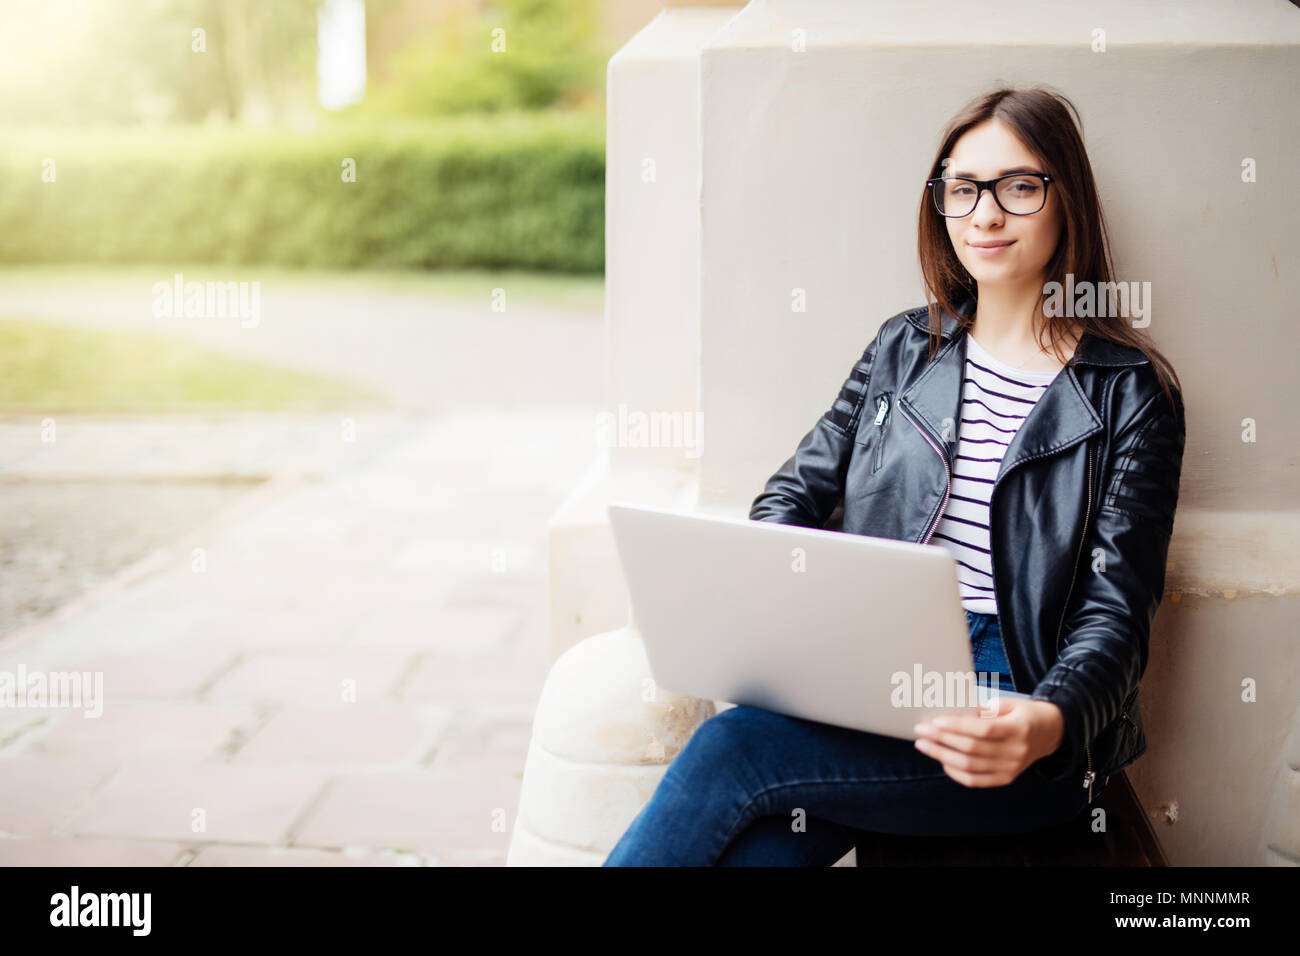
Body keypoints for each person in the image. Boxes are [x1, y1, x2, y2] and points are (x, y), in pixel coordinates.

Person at [602, 86, 1186, 866]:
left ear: (1065, 199)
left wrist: (1048, 722)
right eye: (962, 187)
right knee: (764, 854)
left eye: (1019, 186)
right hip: (879, 671)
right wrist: (780, 611)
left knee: (736, 746)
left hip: (1017, 704)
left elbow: (1118, 613)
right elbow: (791, 496)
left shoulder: (1128, 390)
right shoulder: (904, 348)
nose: (985, 215)